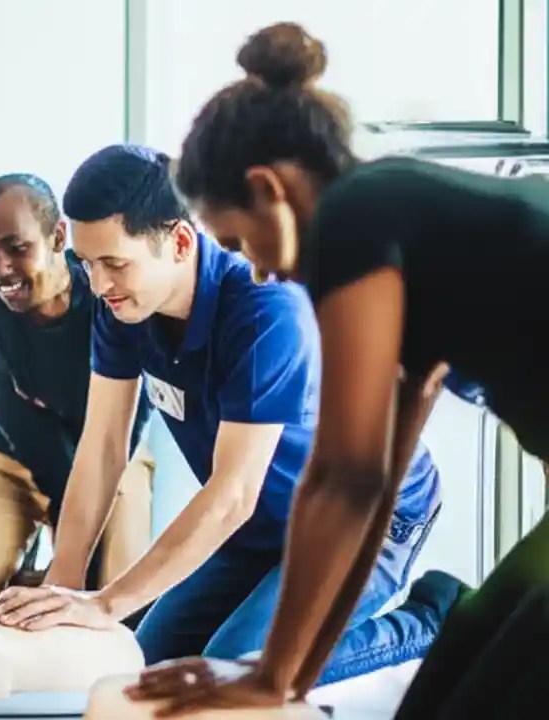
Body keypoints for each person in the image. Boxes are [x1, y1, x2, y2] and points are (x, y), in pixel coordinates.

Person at [125, 22, 549, 719]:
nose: (255, 267)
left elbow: (343, 479)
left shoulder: (355, 218)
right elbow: (375, 483)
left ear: (270, 188)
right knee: (463, 669)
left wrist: (267, 681)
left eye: (236, 239)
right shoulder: (406, 231)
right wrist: (284, 675)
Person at [0, 143, 458, 689]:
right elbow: (103, 447)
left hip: (362, 518)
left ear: (180, 241)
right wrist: (63, 591)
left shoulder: (266, 310)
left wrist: (107, 603)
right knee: (150, 670)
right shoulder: (122, 306)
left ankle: (430, 620)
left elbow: (232, 493)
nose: (98, 284)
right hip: (263, 523)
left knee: (232, 675)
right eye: (87, 264)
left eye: (114, 263)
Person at [0, 173, 157, 615]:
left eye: (17, 248)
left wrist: (79, 561)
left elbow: (120, 431)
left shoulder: (111, 298)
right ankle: (26, 582)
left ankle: (38, 582)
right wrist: (70, 559)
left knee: (123, 598)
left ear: (58, 236)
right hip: (17, 456)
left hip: (114, 450)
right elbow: (36, 443)